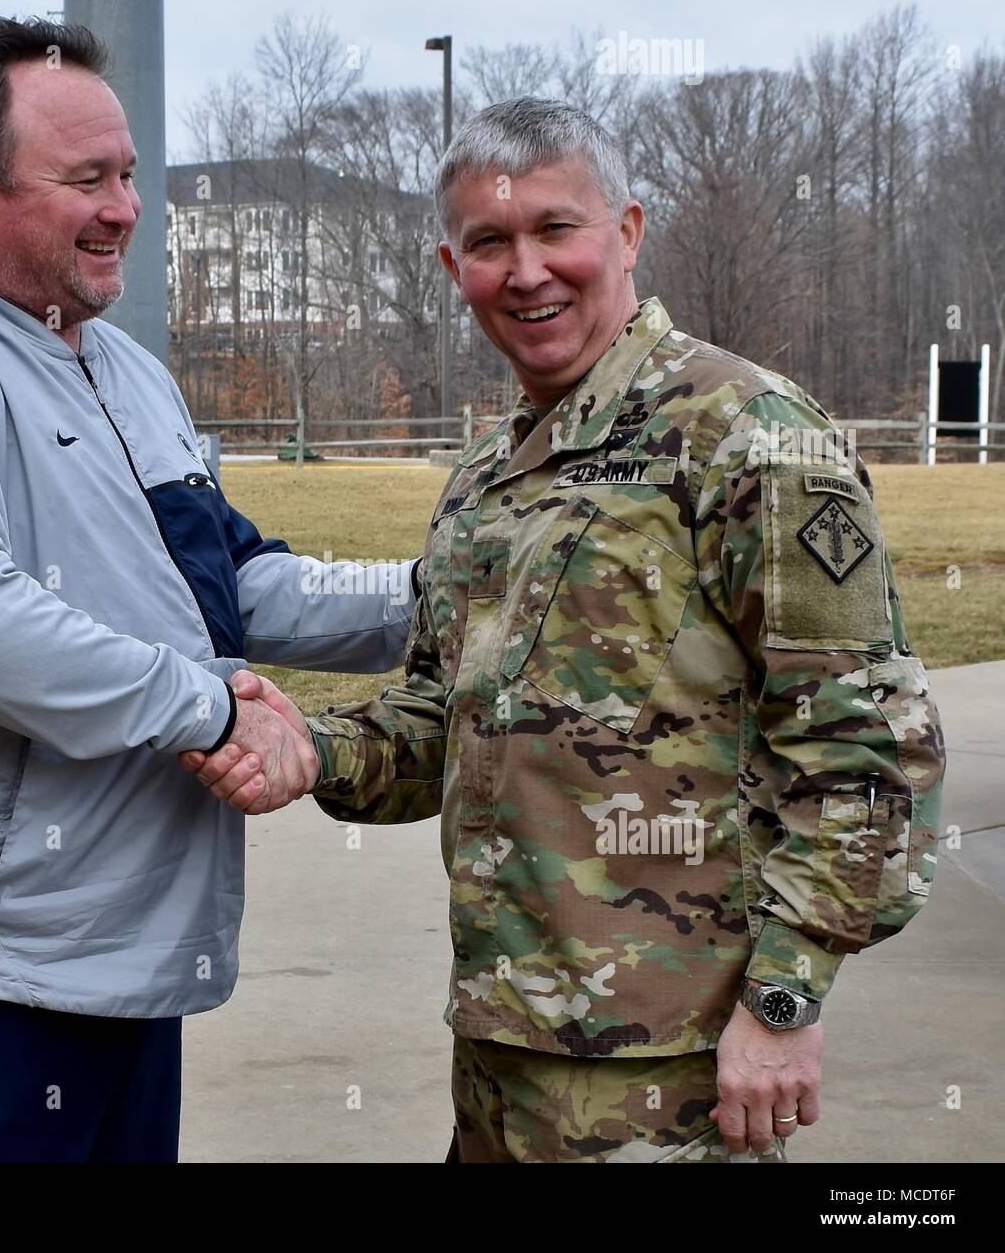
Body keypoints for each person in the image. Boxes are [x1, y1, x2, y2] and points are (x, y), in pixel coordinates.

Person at [183, 97, 946, 1163]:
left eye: (555, 228)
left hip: (669, 1075)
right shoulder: (487, 477)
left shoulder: (747, 436)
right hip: (497, 1059)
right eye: (490, 242)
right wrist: (310, 746)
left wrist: (784, 1004)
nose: (525, 270)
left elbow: (870, 753)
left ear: (626, 232)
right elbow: (443, 716)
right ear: (454, 269)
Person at [0, 16, 419, 1163]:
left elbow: (229, 586)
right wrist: (215, 707)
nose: (127, 206)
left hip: (123, 966)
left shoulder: (126, 369)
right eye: (87, 178)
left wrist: (444, 596)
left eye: (128, 174)